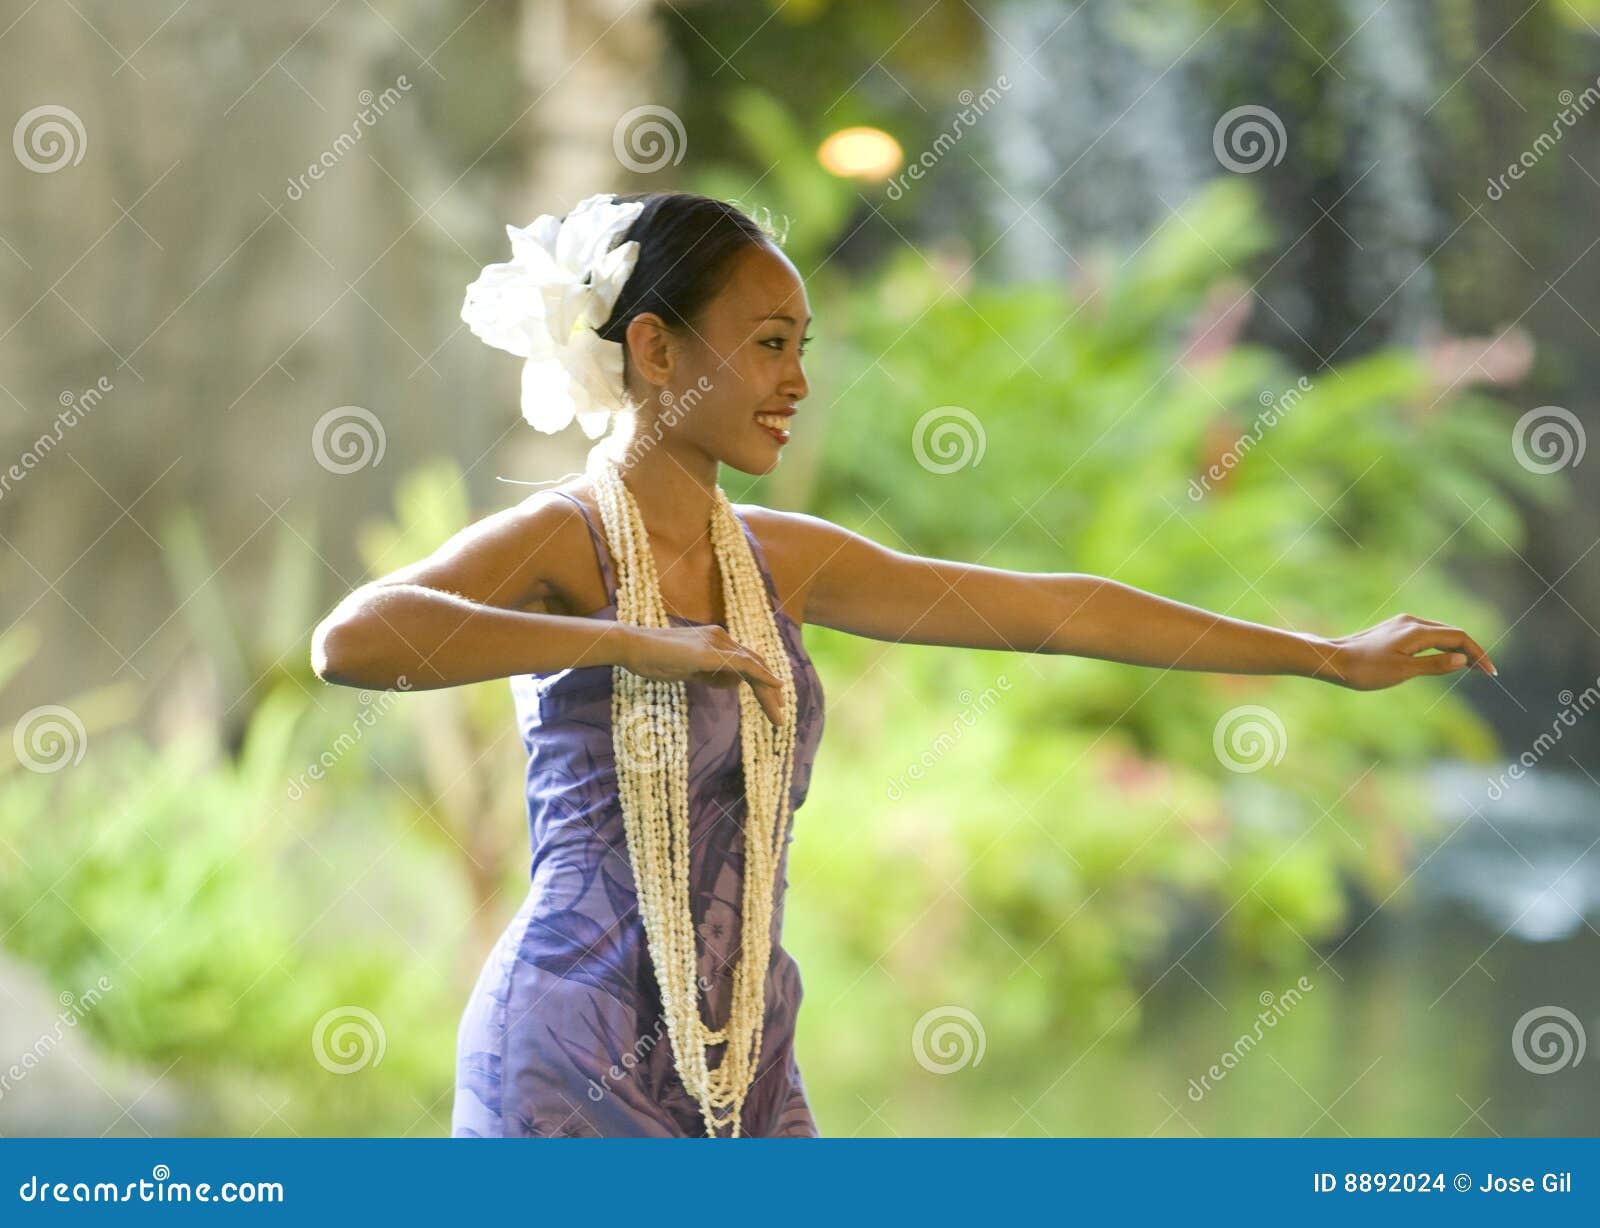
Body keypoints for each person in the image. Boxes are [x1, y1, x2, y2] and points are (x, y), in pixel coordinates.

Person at [309, 190, 1498, 1138]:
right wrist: (629, 641)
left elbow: (1055, 611)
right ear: (658, 350)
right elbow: (355, 638)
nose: (797, 380)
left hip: (742, 1048)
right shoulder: (566, 537)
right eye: (769, 344)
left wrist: (1325, 655)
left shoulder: (786, 560)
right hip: (569, 1040)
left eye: (802, 346)